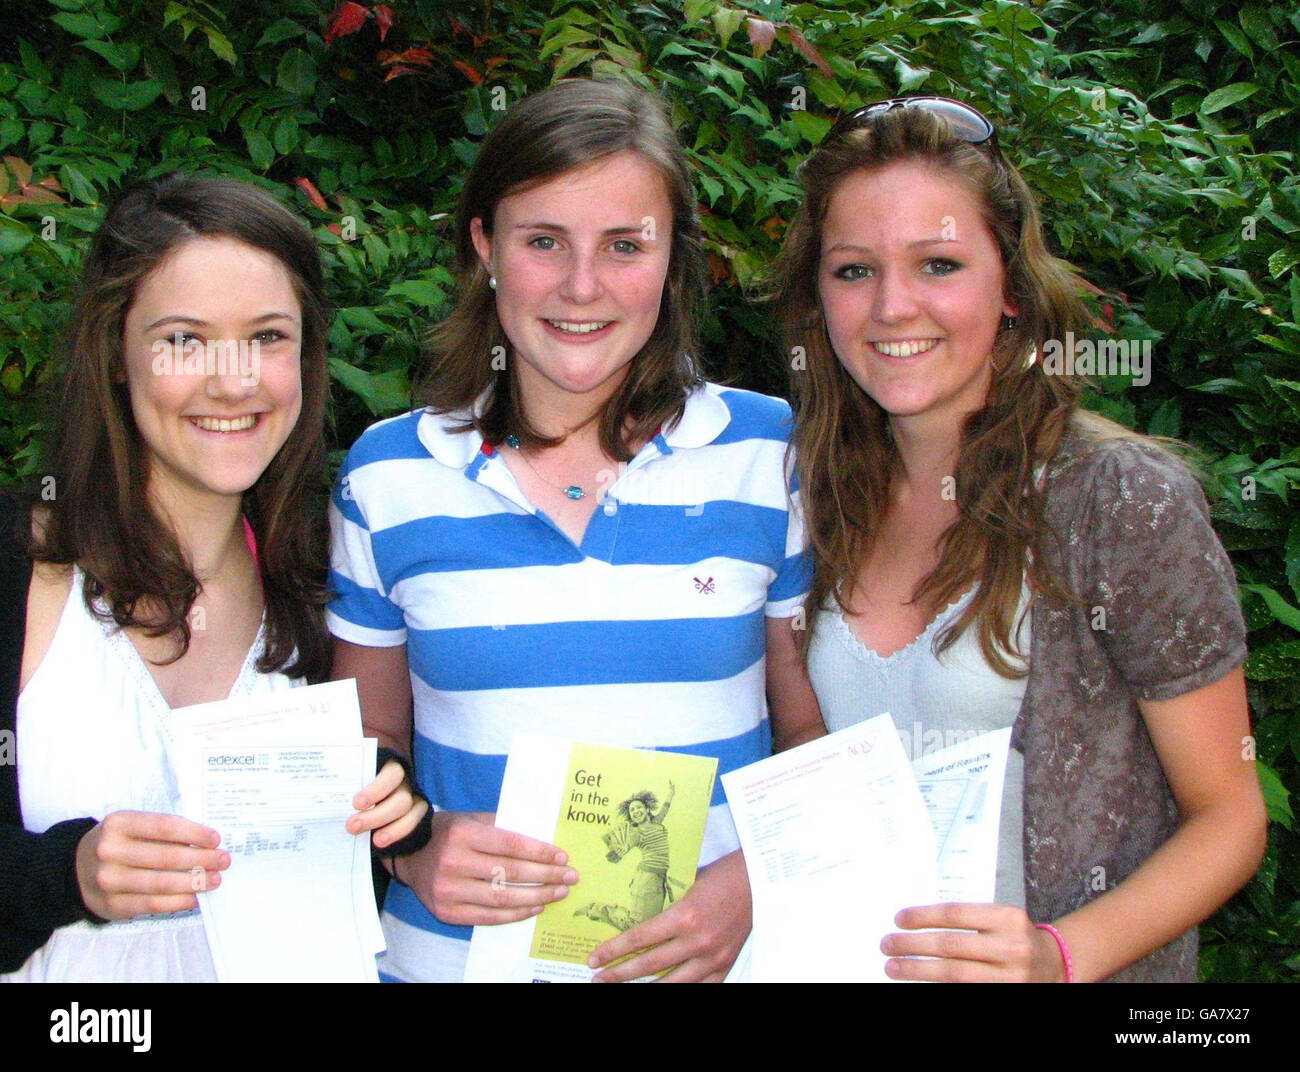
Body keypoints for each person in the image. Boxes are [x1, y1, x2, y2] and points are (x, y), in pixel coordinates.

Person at [328, 79, 824, 982]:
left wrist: (756, 879)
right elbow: (367, 747)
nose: (583, 286)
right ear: (485, 244)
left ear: (674, 261)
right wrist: (412, 849)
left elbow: (809, 733)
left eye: (626, 246)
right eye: (544, 241)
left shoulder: (767, 456)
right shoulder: (389, 475)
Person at [771, 97, 1267, 982]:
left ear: (1010, 287)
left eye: (940, 263)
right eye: (853, 271)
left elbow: (1229, 817)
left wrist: (1060, 956)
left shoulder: (1117, 501)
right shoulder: (811, 490)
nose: (892, 307)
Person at [0, 174, 425, 981]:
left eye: (267, 337)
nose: (234, 382)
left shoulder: (326, 575)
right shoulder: (20, 568)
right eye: (184, 341)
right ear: (115, 356)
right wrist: (66, 874)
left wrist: (392, 810)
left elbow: (345, 878)